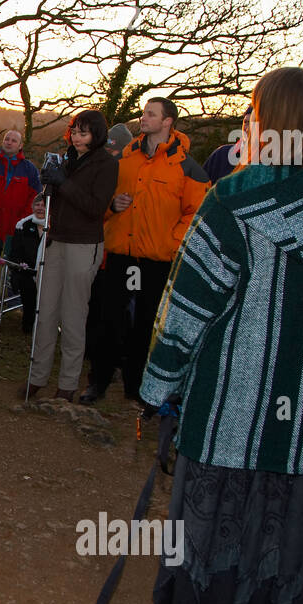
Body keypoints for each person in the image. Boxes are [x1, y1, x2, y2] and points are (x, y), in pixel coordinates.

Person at [141, 67, 303, 604]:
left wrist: (157, 385)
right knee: (281, 528)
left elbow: (189, 305)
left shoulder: (234, 197)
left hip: (228, 409)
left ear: (273, 123)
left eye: (254, 109)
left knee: (212, 526)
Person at [79, 96, 209, 404]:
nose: (143, 118)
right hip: (121, 254)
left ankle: (137, 388)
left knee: (147, 326)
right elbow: (101, 201)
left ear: (168, 122)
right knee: (108, 320)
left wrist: (172, 243)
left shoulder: (187, 166)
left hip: (157, 260)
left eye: (151, 114)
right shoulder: (124, 158)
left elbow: (198, 212)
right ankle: (97, 382)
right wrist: (112, 206)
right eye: (143, 113)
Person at [20, 110, 118, 400]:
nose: (76, 137)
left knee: (74, 315)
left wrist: (64, 182)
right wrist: (49, 183)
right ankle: (37, 377)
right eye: (74, 131)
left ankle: (68, 384)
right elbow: (54, 199)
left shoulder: (107, 164)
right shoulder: (66, 159)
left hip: (83, 245)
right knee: (45, 311)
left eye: (83, 132)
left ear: (96, 135)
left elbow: (95, 207)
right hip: (56, 240)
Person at [0, 129, 42, 240]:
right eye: (7, 139)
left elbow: (36, 200)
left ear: (20, 146)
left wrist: (22, 221)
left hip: (18, 229)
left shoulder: (30, 170)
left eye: (14, 141)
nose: (9, 142)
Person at [8, 193, 47, 334]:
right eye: (37, 205)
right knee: (27, 284)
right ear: (32, 207)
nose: (40, 208)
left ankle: (45, 325)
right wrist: (20, 265)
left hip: (49, 271)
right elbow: (15, 252)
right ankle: (29, 324)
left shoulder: (55, 225)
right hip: (27, 271)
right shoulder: (23, 225)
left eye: (43, 205)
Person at [201, 107, 253, 183]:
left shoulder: (271, 161)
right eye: (246, 122)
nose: (248, 128)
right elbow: (198, 187)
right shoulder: (221, 155)